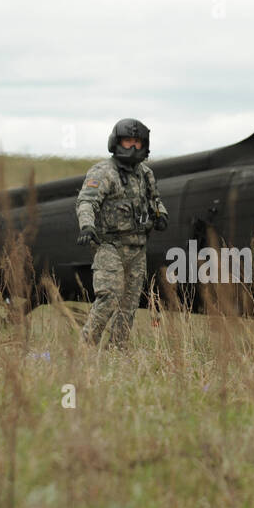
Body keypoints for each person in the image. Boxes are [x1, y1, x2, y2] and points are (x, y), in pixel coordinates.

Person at [75, 118, 168, 348]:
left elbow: (155, 200)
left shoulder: (146, 174)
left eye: (137, 142)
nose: (133, 147)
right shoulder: (103, 172)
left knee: (129, 304)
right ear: (116, 143)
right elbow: (86, 202)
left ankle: (117, 351)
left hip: (138, 248)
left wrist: (161, 214)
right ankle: (86, 347)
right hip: (110, 246)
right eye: (128, 142)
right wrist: (87, 226)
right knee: (109, 297)